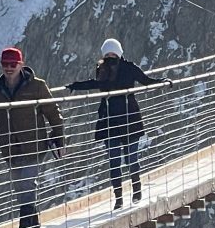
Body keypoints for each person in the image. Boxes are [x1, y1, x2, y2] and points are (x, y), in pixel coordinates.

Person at [0, 46, 64, 228]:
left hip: (35, 145)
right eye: (5, 64)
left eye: (12, 64)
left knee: (26, 185)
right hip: (10, 147)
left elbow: (52, 112)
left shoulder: (37, 86)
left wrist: (60, 138)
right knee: (21, 188)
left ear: (21, 64)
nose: (8, 68)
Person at [67, 37, 161, 208]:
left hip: (128, 118)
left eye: (113, 53)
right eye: (107, 53)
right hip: (110, 119)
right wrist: (77, 86)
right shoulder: (102, 69)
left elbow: (145, 80)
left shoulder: (129, 68)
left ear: (119, 53)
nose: (110, 56)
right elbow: (96, 84)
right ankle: (118, 198)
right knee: (114, 161)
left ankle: (136, 189)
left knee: (131, 158)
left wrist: (162, 82)